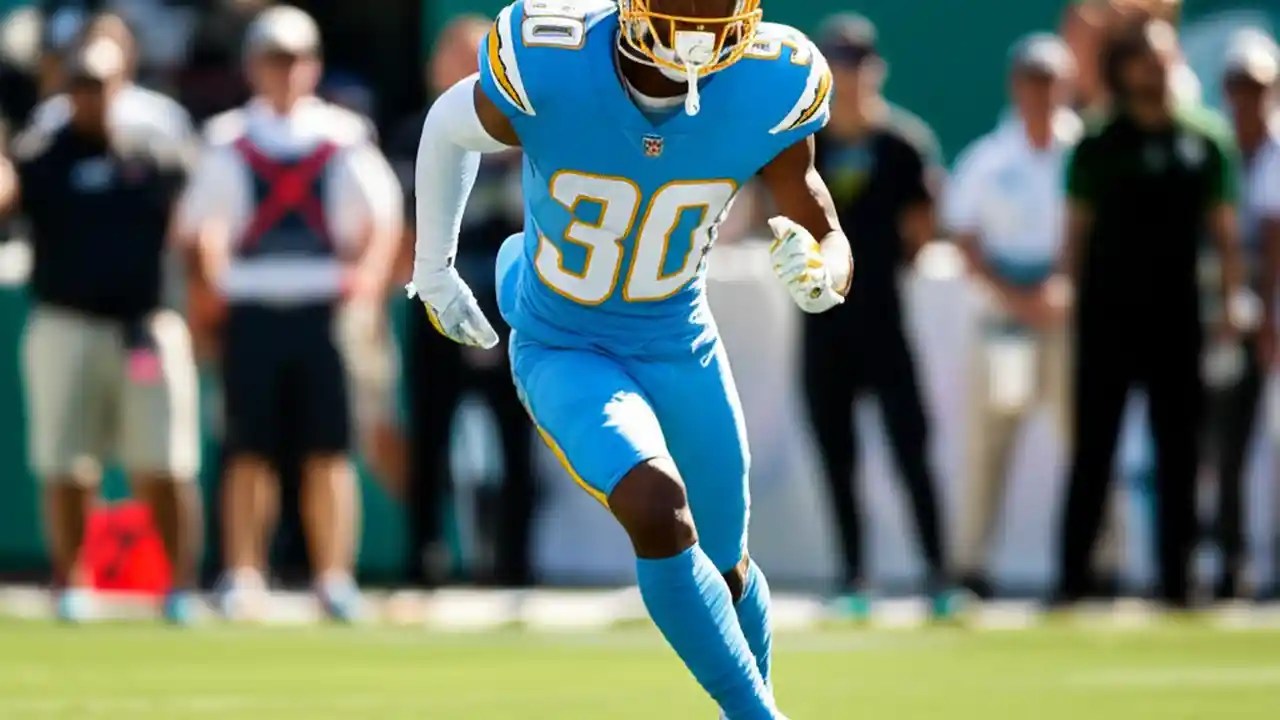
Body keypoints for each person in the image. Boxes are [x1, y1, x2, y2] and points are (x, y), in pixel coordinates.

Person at [412, 0, 851, 716]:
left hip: (678, 342)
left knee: (729, 568)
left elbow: (821, 223)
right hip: (566, 341)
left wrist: (825, 272)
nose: (701, 25)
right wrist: (434, 267)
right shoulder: (553, 57)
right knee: (657, 504)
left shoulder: (773, 78)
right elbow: (448, 126)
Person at [176, 5, 402, 622]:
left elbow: (383, 220)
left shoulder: (343, 136)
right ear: (252, 66)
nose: (285, 71)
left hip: (324, 310)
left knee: (327, 451)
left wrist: (367, 293)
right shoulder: (225, 138)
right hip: (250, 310)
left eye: (296, 58)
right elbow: (195, 231)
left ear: (314, 66)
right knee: (248, 452)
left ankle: (334, 578)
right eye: (274, 58)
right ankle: (243, 574)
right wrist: (205, 298)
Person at [1057, 18, 1248, 609]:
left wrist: (1230, 303)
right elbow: (1076, 233)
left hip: (1179, 318)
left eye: (1165, 59)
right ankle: (1076, 580)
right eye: (1146, 60)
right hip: (1107, 318)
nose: (1158, 70)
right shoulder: (1097, 141)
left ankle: (1177, 582)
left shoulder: (1206, 138)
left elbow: (1224, 233)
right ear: (1124, 68)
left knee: (1182, 453)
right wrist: (1069, 296)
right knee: (1093, 450)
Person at [11, 35, 202, 624]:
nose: (92, 96)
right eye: (81, 85)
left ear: (123, 86)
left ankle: (180, 589)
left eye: (102, 84)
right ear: (66, 90)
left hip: (145, 326)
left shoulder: (156, 155)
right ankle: (72, 583)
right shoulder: (40, 156)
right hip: (67, 323)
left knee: (165, 466)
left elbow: (189, 228)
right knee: (68, 465)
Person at [801, 13, 953, 616]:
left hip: (884, 323)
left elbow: (920, 234)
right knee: (836, 458)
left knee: (910, 451)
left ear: (875, 71)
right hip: (822, 327)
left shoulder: (903, 146)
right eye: (837, 66)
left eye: (857, 65)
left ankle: (939, 577)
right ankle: (853, 579)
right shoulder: (805, 147)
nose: (849, 78)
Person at [390, 15, 535, 588]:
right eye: (455, 55)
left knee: (518, 438)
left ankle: (515, 565)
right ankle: (423, 560)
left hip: (511, 299)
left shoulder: (528, 130)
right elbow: (402, 226)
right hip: (436, 299)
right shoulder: (412, 135)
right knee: (429, 435)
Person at [945, 34, 1080, 599]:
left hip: (1066, 317)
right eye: (1032, 79)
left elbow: (1086, 230)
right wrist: (1017, 296)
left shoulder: (1083, 150)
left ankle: (1096, 562)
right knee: (988, 444)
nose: (1041, 92)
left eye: (1051, 80)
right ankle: (971, 566)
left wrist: (1061, 286)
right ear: (1016, 86)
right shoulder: (986, 158)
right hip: (1002, 321)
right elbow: (966, 237)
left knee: (1085, 442)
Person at [1211, 31, 1279, 600]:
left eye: (1256, 87)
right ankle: (1231, 566)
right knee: (1228, 450)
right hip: (1235, 322)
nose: (1247, 98)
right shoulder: (1216, 151)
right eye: (1238, 86)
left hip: (1272, 321)